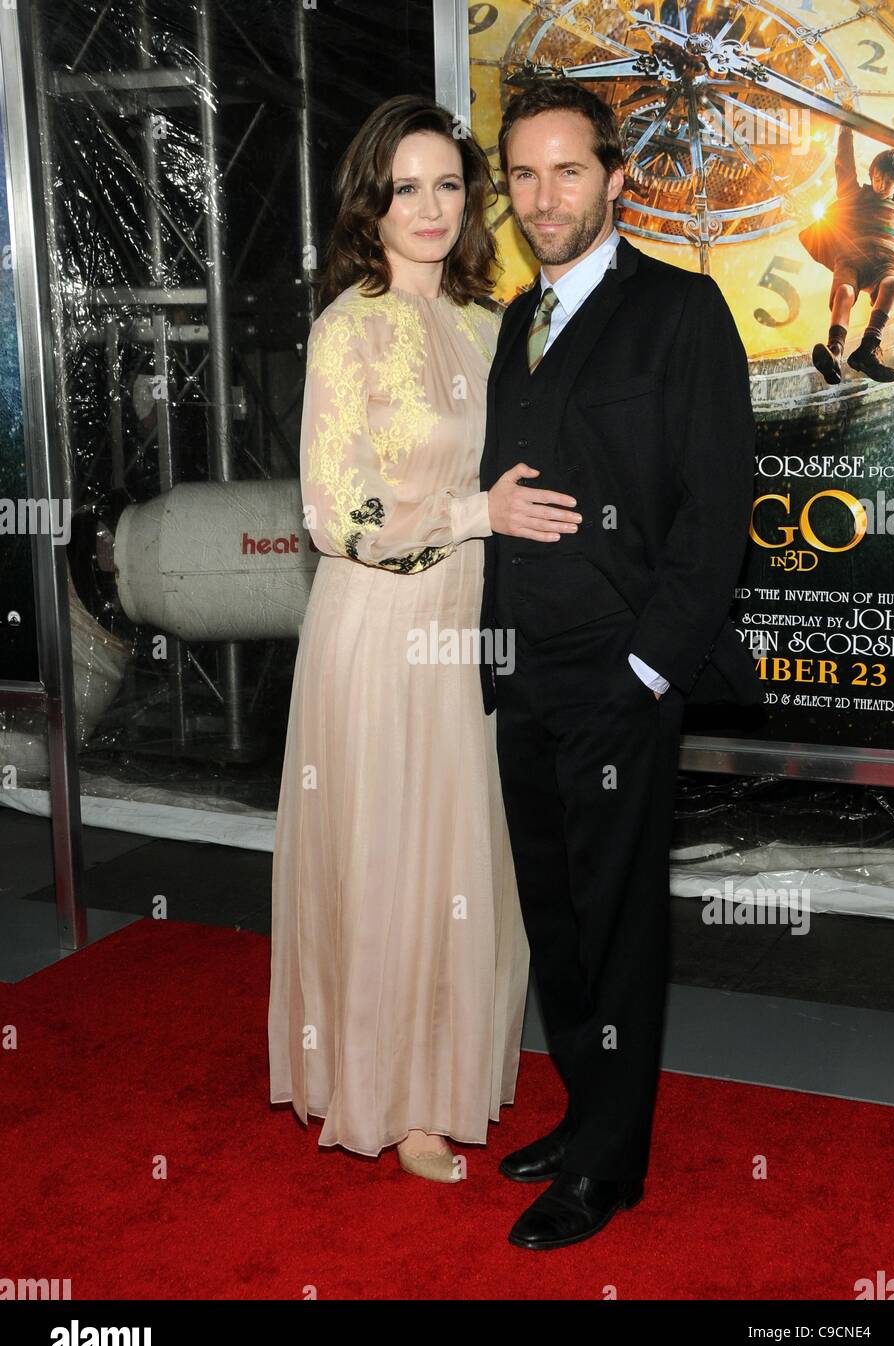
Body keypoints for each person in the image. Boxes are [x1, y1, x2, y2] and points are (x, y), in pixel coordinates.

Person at [268, 94, 577, 1184]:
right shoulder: (347, 326)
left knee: (461, 861)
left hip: (472, 637)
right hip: (378, 633)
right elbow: (331, 515)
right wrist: (469, 515)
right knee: (390, 863)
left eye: (451, 183)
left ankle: (444, 1077)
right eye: (409, 186)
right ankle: (391, 1100)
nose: (432, 206)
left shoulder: (496, 324)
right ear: (373, 200)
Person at [477, 78, 764, 1249]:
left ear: (615, 177)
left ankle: (611, 1167)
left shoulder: (685, 314)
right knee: (554, 919)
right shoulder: (514, 321)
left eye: (568, 171)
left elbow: (716, 514)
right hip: (523, 678)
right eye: (524, 176)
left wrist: (648, 670)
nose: (545, 197)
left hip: (619, 676)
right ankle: (584, 1109)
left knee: (619, 922)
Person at [802, 115, 894, 385]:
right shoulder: (855, 194)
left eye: (888, 181)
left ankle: (868, 348)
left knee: (892, 284)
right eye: (877, 178)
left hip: (885, 263)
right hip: (850, 257)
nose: (880, 184)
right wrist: (845, 130)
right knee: (844, 292)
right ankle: (835, 352)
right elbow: (845, 166)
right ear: (872, 175)